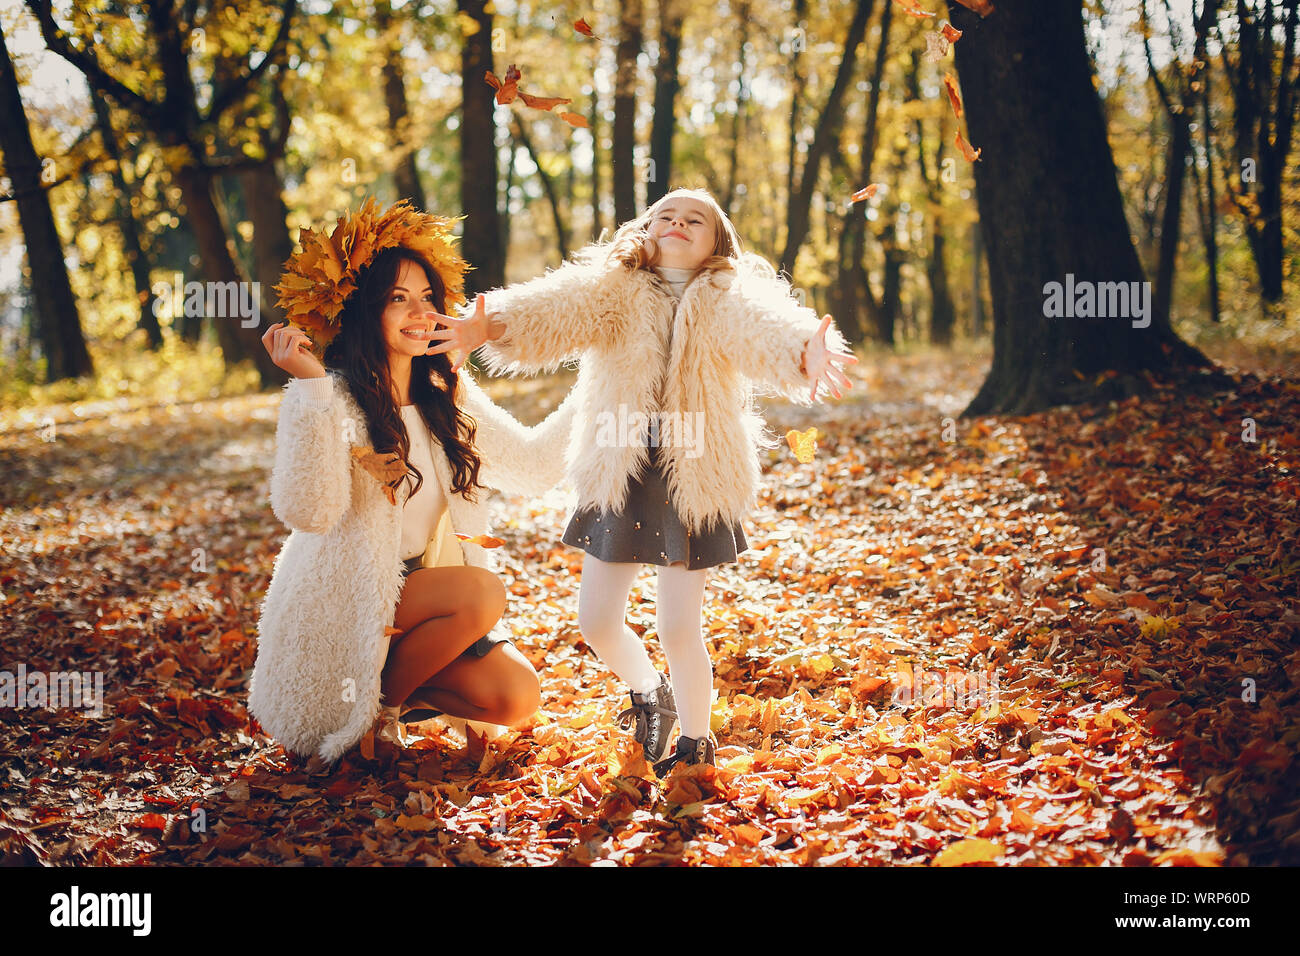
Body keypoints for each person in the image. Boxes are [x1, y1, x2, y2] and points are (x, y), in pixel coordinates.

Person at [433, 188, 857, 774]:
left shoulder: (724, 296)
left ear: (716, 243)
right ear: (647, 230)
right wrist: (493, 325)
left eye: (695, 220)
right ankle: (647, 689)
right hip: (621, 469)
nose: (678, 224)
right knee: (598, 621)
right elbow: (555, 310)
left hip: (692, 476)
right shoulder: (616, 287)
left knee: (679, 625)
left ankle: (696, 741)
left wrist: (805, 351)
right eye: (666, 216)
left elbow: (765, 331)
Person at [248, 199, 575, 764]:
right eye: (398, 299)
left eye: (427, 298)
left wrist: (604, 389)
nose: (420, 312)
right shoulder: (332, 397)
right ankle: (368, 715)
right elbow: (311, 511)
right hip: (348, 603)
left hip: (424, 607)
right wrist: (308, 389)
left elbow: (535, 465)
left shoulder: (448, 396)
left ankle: (390, 695)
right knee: (481, 592)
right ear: (363, 312)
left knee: (516, 697)